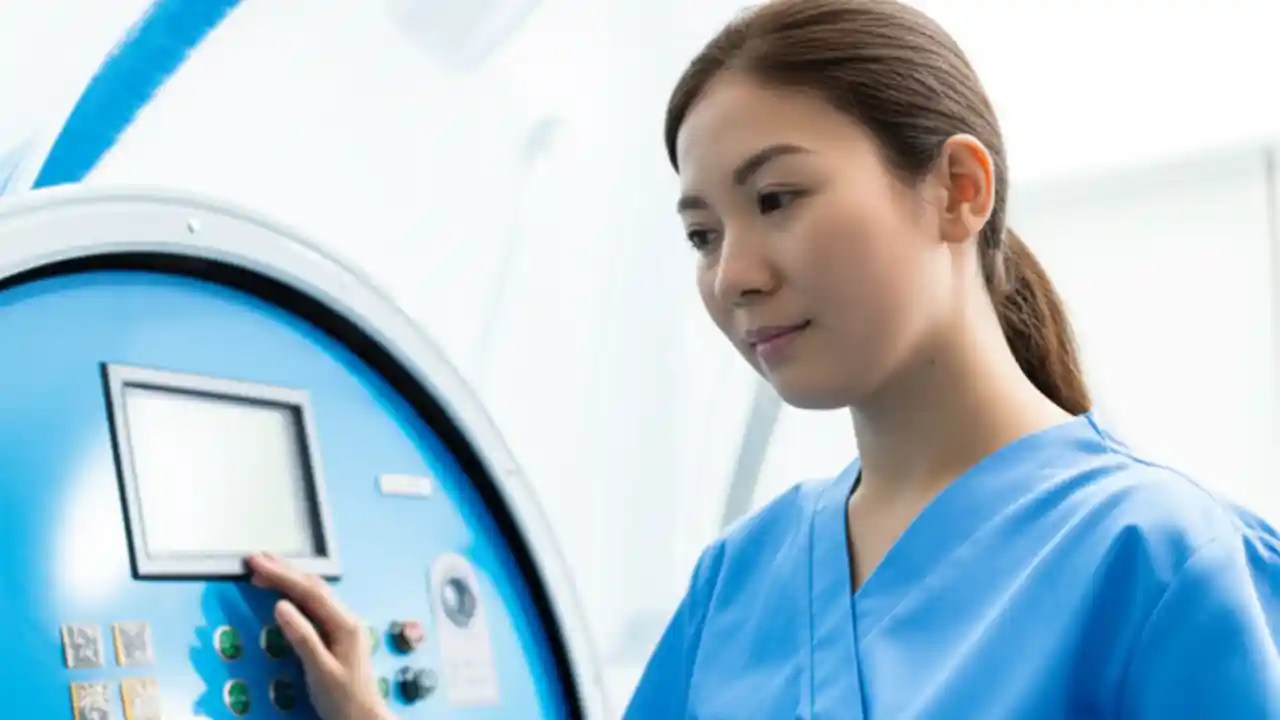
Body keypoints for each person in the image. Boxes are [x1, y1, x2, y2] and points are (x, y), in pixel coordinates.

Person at [247, 0, 1280, 717]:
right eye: (700, 234)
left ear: (958, 188)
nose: (732, 275)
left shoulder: (1158, 561)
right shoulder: (738, 583)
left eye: (776, 199)